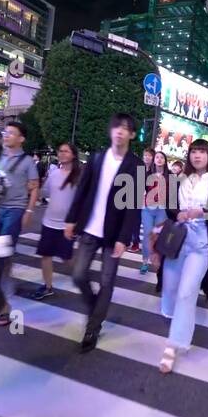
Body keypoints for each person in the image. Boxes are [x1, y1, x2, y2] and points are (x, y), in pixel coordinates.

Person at [65, 113, 143, 353]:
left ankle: (93, 327)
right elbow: (82, 191)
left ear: (131, 134)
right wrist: (71, 219)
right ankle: (94, 310)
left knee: (107, 282)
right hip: (89, 228)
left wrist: (124, 237)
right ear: (111, 131)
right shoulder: (97, 158)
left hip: (113, 234)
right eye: (116, 127)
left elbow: (133, 205)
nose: (119, 131)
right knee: (78, 275)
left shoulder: (136, 165)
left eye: (125, 128)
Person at [158, 139, 208, 373]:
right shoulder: (180, 178)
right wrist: (178, 213)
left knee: (186, 293)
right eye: (193, 152)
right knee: (170, 287)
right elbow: (170, 206)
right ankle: (178, 320)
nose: (197, 156)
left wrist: (201, 211)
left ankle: (173, 345)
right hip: (179, 240)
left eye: (202, 152)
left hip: (201, 244)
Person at [0, 120, 40, 326]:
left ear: (21, 138)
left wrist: (29, 210)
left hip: (14, 209)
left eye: (11, 133)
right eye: (6, 132)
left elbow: (34, 187)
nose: (6, 135)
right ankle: (1, 283)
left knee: (3, 252)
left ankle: (3, 302)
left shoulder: (28, 162)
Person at [32, 143, 81, 300]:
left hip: (67, 225)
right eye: (60, 151)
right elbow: (44, 192)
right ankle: (48, 286)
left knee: (66, 258)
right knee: (46, 255)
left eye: (66, 151)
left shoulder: (79, 176)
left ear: (73, 155)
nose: (62, 153)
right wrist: (36, 188)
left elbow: (82, 201)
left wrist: (77, 222)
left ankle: (81, 277)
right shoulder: (53, 173)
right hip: (49, 222)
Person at [140, 150, 169, 275]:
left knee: (158, 236)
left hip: (162, 209)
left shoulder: (170, 176)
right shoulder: (147, 174)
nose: (159, 159)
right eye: (157, 157)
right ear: (154, 160)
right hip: (147, 209)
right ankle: (145, 262)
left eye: (162, 157)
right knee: (147, 234)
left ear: (165, 161)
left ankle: (159, 261)